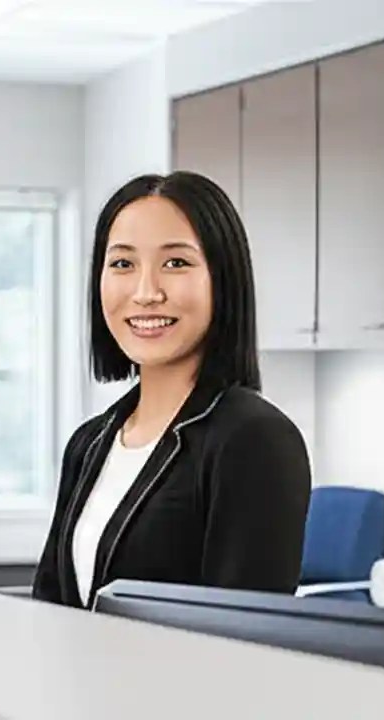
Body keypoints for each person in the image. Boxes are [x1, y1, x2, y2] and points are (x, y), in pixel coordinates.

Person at [32, 171, 310, 609]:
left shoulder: (254, 440)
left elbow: (246, 640)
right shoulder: (90, 443)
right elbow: (51, 607)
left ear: (223, 278)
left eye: (176, 263)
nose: (146, 292)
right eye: (123, 263)